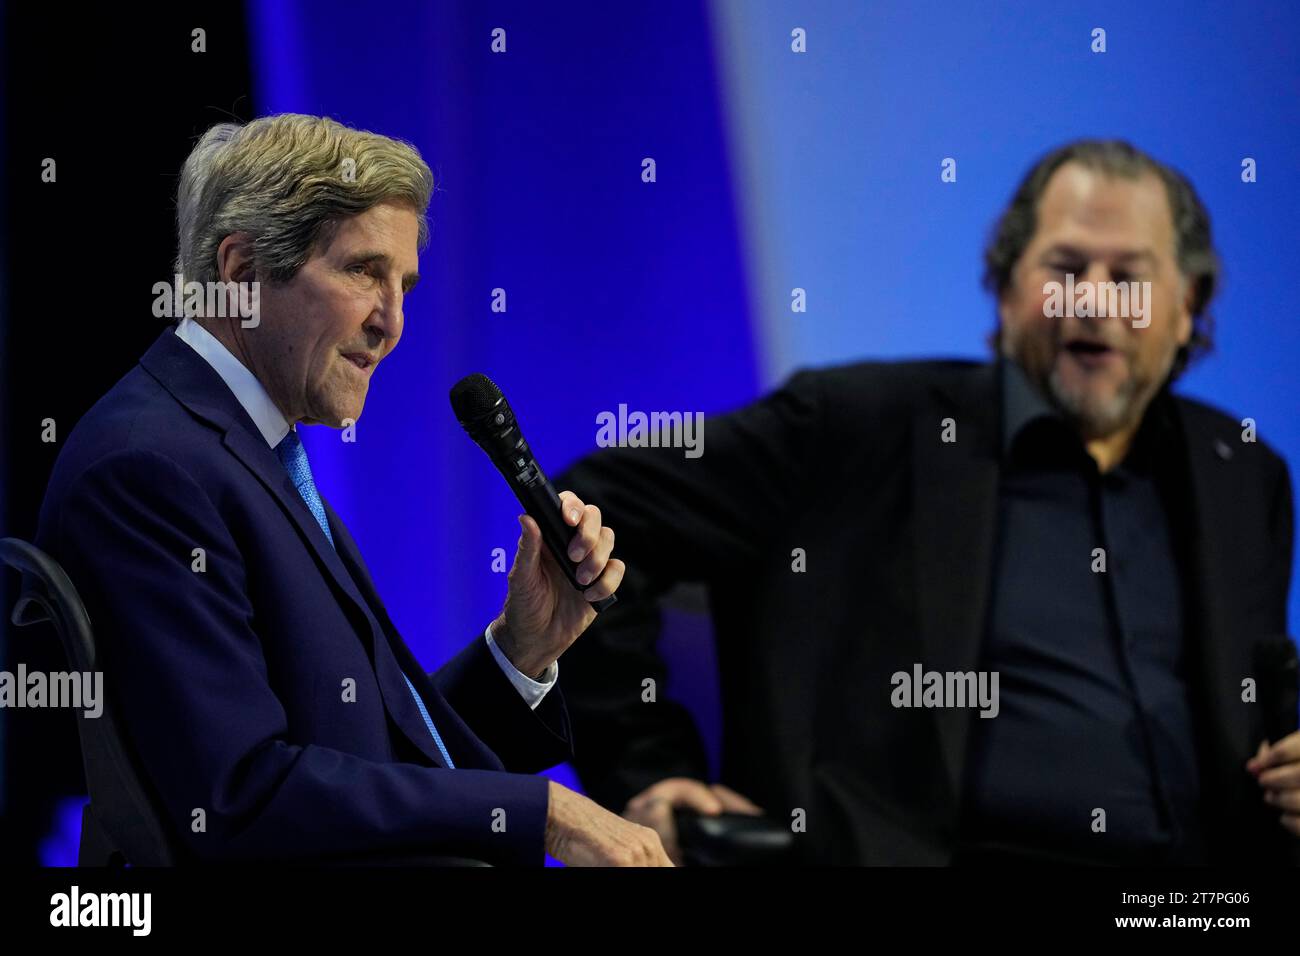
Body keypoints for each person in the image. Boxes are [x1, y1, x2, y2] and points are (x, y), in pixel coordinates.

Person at [558, 139, 1300, 865]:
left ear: (1186, 306)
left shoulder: (1241, 475)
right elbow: (598, 506)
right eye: (1066, 267)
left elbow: (1258, 714)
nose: (1094, 299)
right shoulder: (858, 428)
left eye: (1128, 275)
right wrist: (646, 770)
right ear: (1007, 292)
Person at [35, 113, 671, 866]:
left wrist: (520, 652)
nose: (392, 323)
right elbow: (242, 797)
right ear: (240, 272)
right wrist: (545, 812)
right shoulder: (150, 469)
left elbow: (374, 757)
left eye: (403, 285)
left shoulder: (245, 453)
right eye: (362, 272)